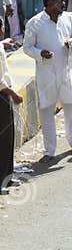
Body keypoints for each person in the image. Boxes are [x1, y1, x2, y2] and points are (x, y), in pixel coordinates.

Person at [23, 0, 72, 163]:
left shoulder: (68, 18)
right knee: (46, 111)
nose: (64, 4)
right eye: (60, 1)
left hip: (67, 71)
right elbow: (27, 47)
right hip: (46, 74)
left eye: (63, 0)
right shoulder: (34, 23)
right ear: (49, 4)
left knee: (70, 108)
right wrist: (40, 53)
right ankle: (49, 151)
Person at [0, 23, 22, 190]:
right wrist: (13, 94)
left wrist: (4, 42)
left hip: (4, 95)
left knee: (9, 138)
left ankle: (8, 176)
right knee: (5, 139)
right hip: (3, 96)